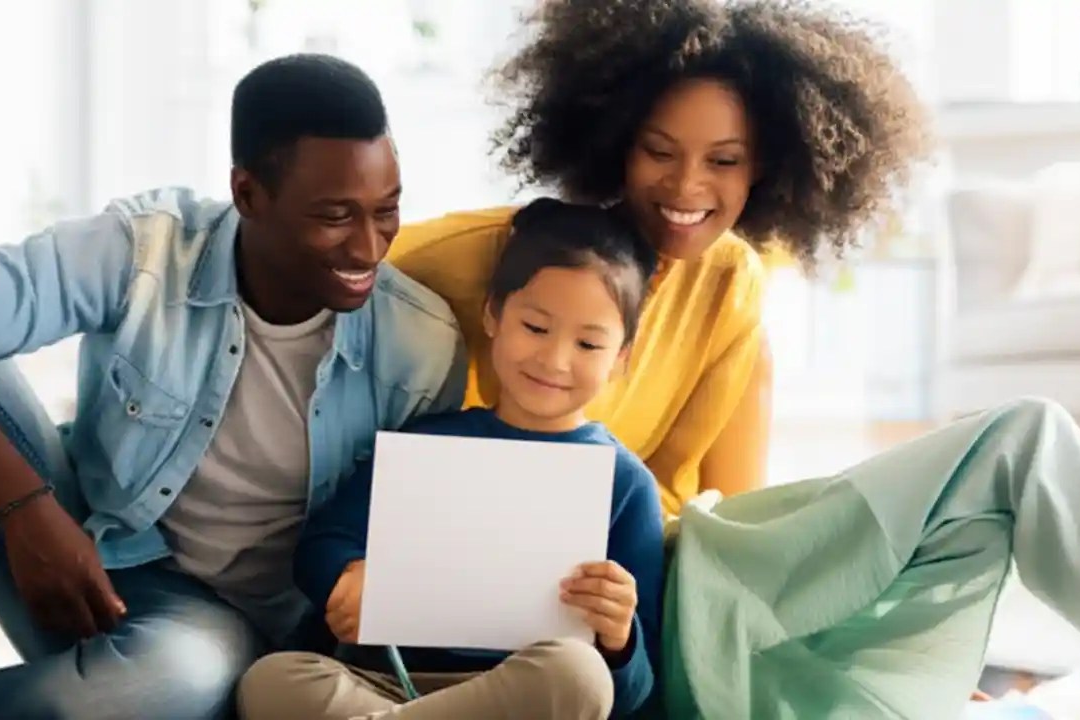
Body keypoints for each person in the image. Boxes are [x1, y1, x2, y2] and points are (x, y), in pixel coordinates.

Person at [0, 54, 465, 719]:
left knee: (174, 680)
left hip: (221, 634)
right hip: (76, 534)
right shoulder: (148, 251)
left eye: (387, 209)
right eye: (335, 216)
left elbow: (388, 554)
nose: (369, 247)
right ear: (248, 194)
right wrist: (26, 508)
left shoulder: (419, 350)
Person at [387, 0, 931, 515]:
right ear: (617, 141)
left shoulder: (728, 288)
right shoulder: (476, 256)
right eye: (659, 151)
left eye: (723, 160)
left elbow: (711, 518)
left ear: (761, 168)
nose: (687, 185)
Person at [238, 198, 666, 720]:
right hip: (388, 683)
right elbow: (323, 542)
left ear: (622, 357)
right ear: (493, 315)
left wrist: (620, 637)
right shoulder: (429, 438)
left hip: (523, 695)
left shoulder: (625, 485)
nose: (555, 360)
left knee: (580, 675)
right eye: (535, 328)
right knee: (270, 681)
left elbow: (635, 694)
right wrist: (347, 576)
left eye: (589, 344)